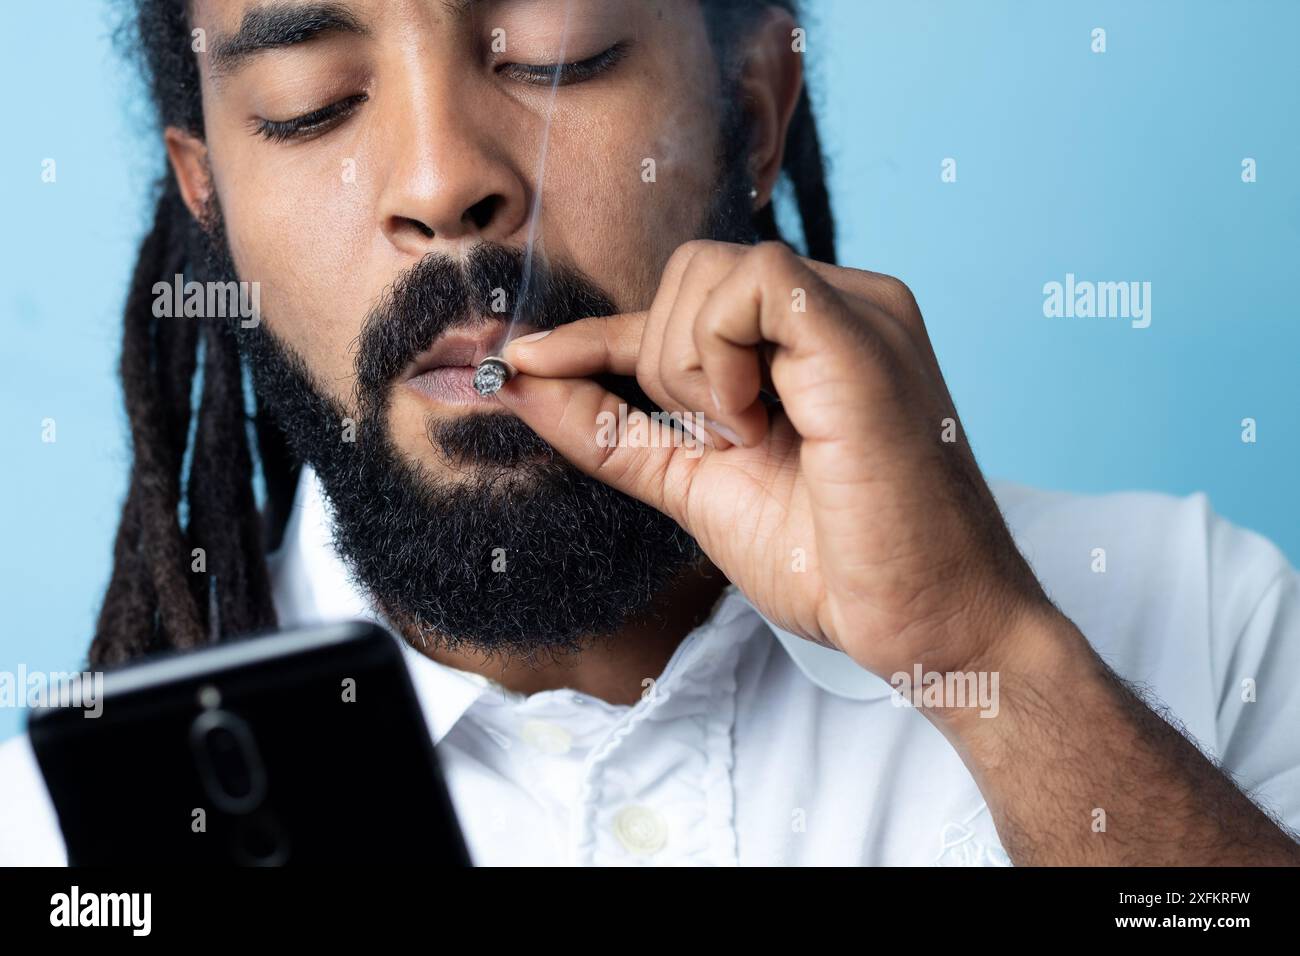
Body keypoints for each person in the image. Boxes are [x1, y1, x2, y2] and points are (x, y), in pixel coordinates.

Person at [1, 0, 1297, 866]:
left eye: (553, 49)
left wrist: (995, 660)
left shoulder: (1199, 624)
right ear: (209, 198)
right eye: (311, 100)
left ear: (754, 109)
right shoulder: (60, 842)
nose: (444, 181)